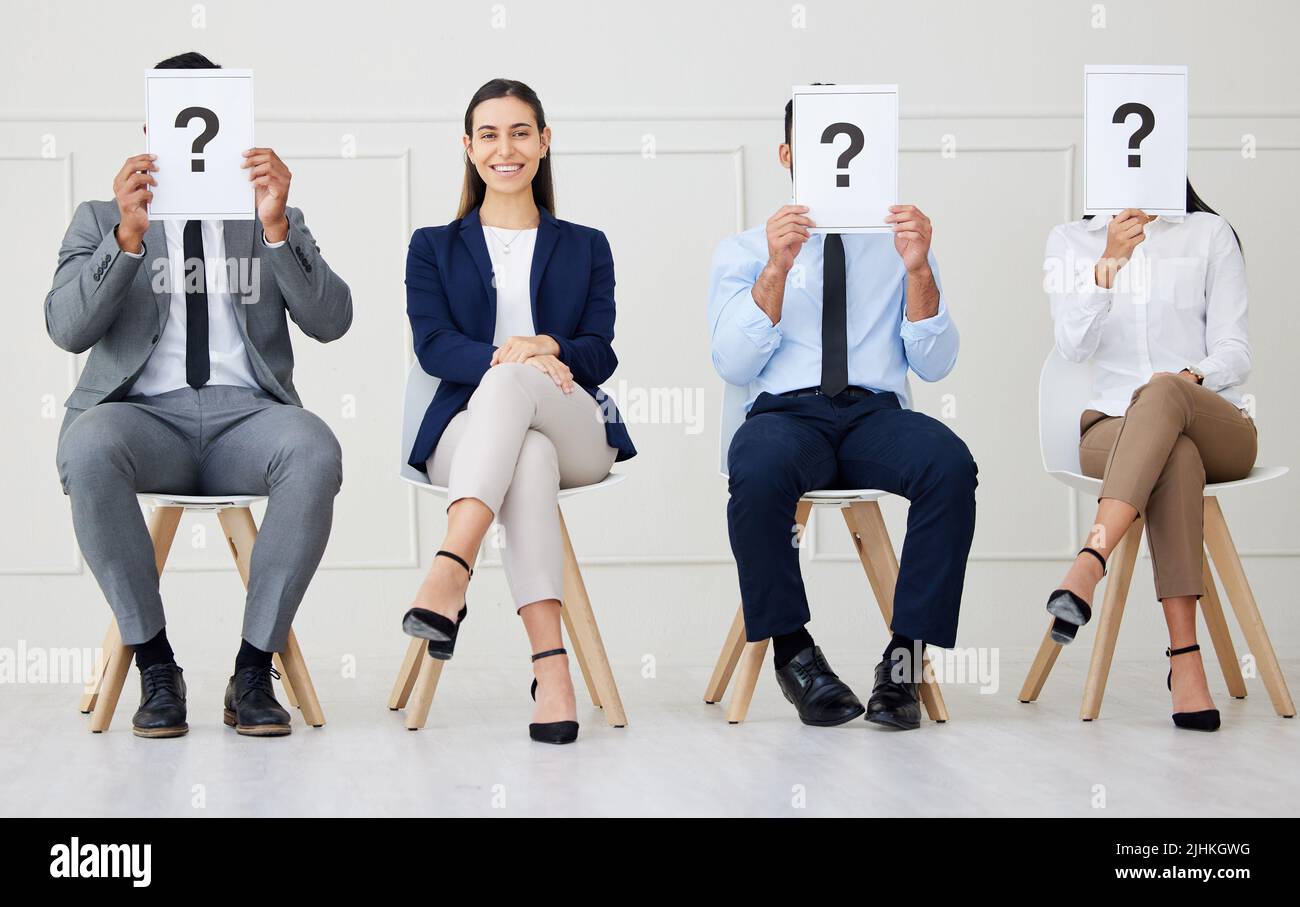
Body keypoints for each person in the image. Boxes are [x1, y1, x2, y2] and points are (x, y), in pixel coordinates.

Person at [47, 52, 352, 738]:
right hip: (141, 420)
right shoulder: (101, 218)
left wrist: (276, 229)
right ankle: (156, 665)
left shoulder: (270, 215)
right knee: (87, 444)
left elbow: (333, 321)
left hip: (251, 420)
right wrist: (127, 237)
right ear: (154, 133)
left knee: (315, 448)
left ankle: (252, 669)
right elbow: (66, 328)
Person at [707, 94, 978, 731]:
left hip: (872, 417)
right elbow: (733, 363)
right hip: (785, 415)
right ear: (787, 155)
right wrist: (776, 267)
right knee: (756, 468)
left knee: (949, 465)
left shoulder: (901, 245)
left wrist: (917, 270)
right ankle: (794, 653)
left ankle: (905, 659)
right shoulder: (744, 249)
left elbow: (935, 363)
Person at [400, 79, 635, 745]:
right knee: (523, 450)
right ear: (469, 148)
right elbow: (435, 347)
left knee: (513, 390)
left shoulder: (587, 244)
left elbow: (599, 351)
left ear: (545, 140)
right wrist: (516, 358)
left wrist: (545, 348)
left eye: (521, 132)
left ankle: (451, 567)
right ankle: (552, 671)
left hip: (577, 426)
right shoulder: (432, 246)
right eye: (490, 134)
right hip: (464, 432)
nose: (507, 148)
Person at [1043, 182, 1253, 732]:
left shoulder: (1210, 234)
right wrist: (1111, 260)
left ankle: (1090, 561)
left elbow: (1236, 349)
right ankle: (1186, 662)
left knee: (1162, 395)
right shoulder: (1071, 241)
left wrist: (1188, 381)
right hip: (1110, 431)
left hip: (1212, 423)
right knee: (1174, 458)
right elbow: (1071, 347)